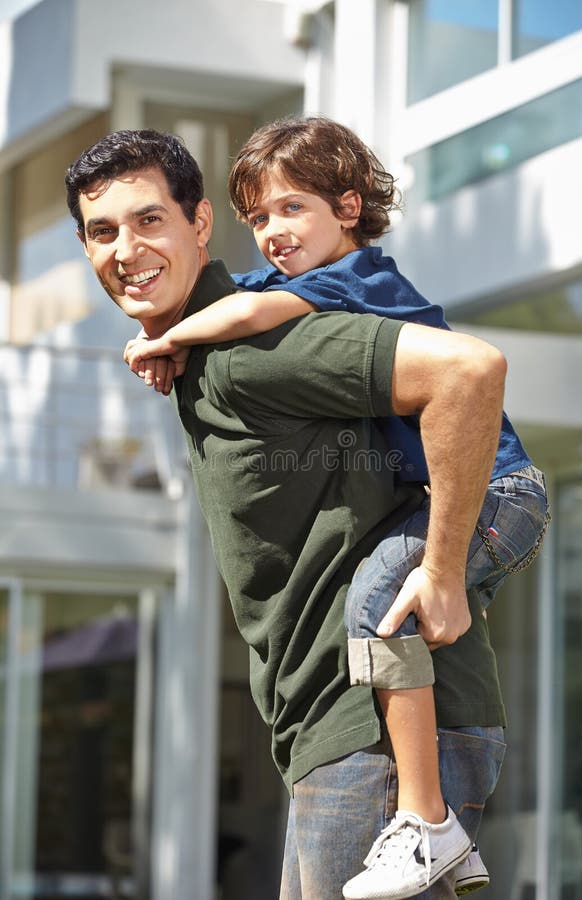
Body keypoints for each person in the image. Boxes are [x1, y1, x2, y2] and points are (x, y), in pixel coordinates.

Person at [66, 127, 509, 900]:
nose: (126, 250)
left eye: (149, 221)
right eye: (102, 231)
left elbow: (467, 372)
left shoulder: (251, 350)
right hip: (332, 732)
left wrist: (441, 570)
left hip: (374, 729)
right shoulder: (216, 344)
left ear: (199, 224)